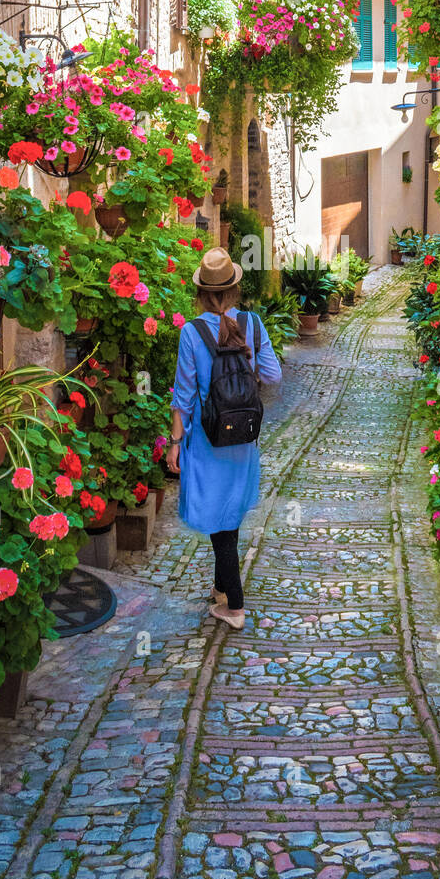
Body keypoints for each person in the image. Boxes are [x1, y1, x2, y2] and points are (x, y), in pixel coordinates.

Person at [167, 246, 282, 629]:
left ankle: (234, 606)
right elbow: (273, 375)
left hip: (206, 437)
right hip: (243, 436)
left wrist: (173, 443)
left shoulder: (191, 332)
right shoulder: (252, 324)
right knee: (228, 514)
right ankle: (221, 590)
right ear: (233, 289)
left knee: (221, 523)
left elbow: (183, 395)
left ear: (201, 292)